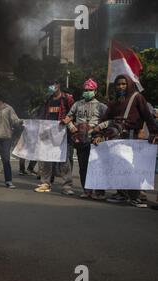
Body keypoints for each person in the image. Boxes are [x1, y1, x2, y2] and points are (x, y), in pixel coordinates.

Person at [93, 74, 158, 208]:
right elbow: (105, 119)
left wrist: (154, 132)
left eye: (123, 84)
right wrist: (98, 133)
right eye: (118, 84)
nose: (121, 86)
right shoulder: (114, 102)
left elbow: (147, 116)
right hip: (116, 137)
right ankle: (122, 193)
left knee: (131, 167)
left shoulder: (137, 97)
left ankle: (136, 197)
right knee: (119, 166)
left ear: (129, 84)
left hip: (132, 137)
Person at [62, 79, 108, 200]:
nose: (88, 92)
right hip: (81, 140)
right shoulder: (77, 104)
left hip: (95, 140)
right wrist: (71, 127)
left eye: (90, 90)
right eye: (86, 90)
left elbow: (110, 120)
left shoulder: (101, 106)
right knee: (83, 167)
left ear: (95, 91)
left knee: (97, 166)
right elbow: (68, 117)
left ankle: (99, 192)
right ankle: (86, 190)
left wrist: (99, 127)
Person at [35, 80, 75, 195]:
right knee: (46, 159)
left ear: (58, 85)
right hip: (48, 133)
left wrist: (68, 121)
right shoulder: (48, 99)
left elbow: (73, 113)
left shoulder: (67, 99)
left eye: (53, 84)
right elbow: (42, 114)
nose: (51, 87)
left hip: (62, 134)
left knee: (63, 161)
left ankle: (67, 186)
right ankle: (45, 183)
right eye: (50, 84)